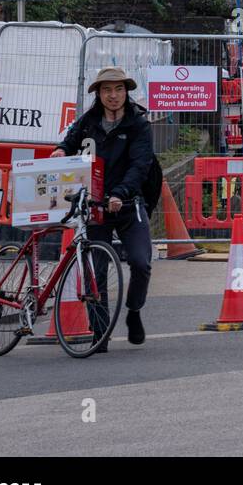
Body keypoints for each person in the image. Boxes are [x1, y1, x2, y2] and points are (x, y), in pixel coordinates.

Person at [52, 67, 158, 352]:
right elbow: (70, 142)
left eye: (119, 89)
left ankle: (134, 310)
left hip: (127, 203)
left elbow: (140, 165)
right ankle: (99, 333)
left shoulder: (138, 124)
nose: (114, 96)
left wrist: (121, 194)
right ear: (98, 94)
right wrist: (62, 150)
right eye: (107, 90)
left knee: (140, 262)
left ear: (127, 92)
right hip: (95, 205)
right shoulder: (89, 121)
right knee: (94, 269)